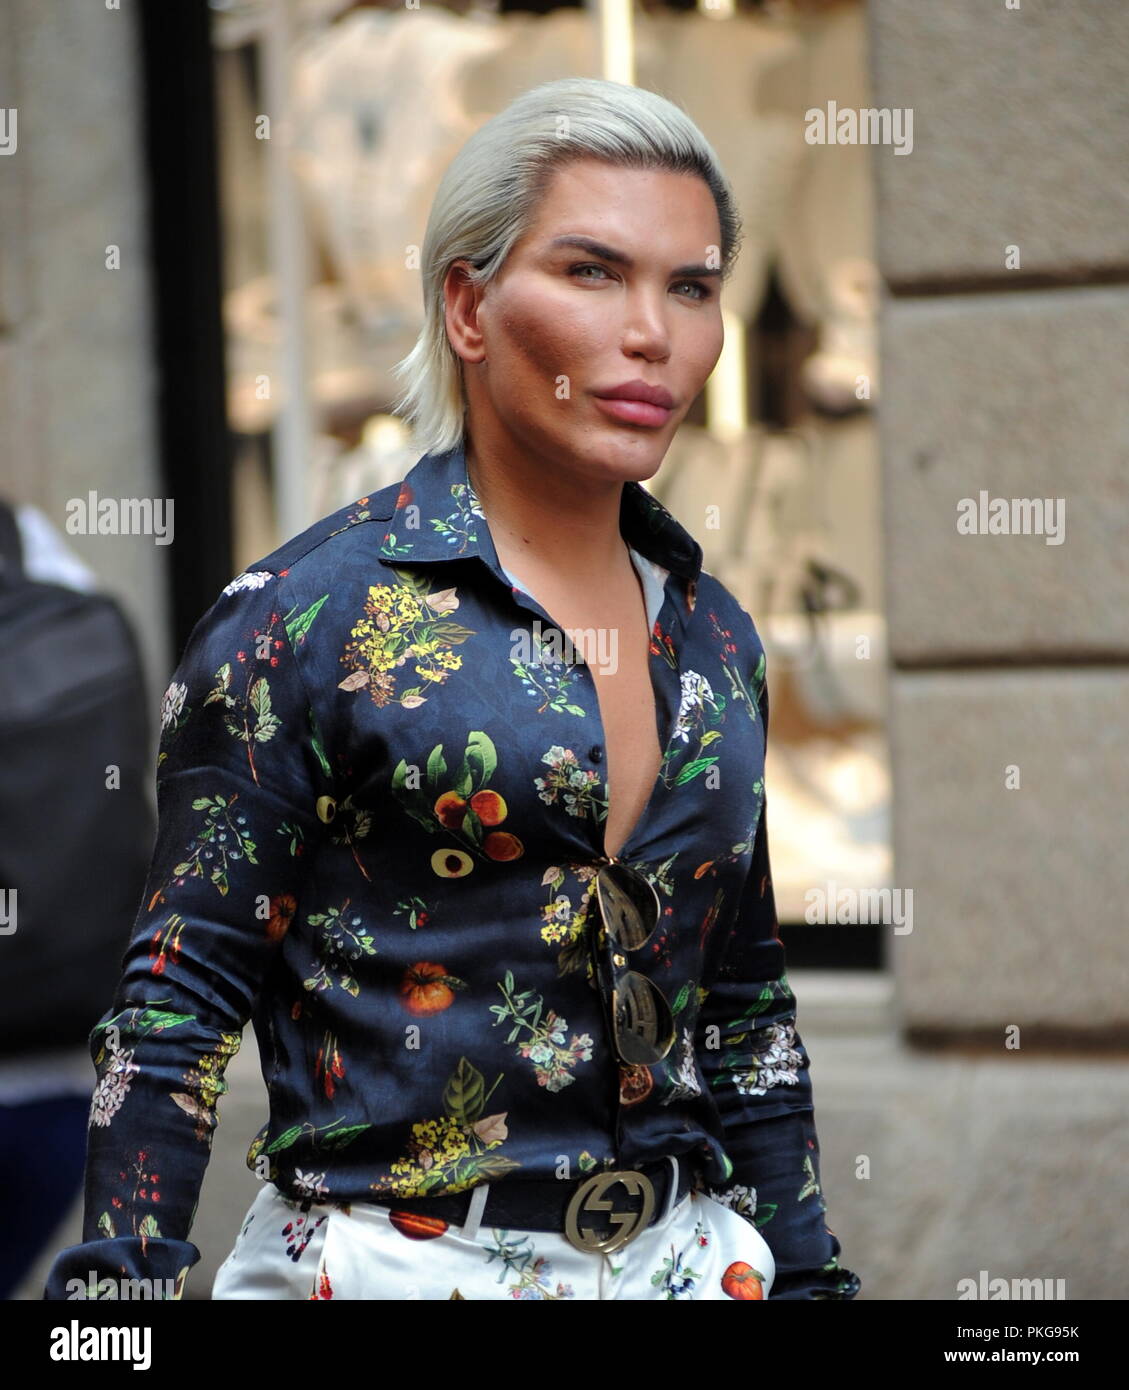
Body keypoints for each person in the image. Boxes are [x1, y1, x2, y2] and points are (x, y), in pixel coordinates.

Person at [43, 76, 860, 1301]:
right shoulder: (302, 616)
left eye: (691, 286)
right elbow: (177, 1005)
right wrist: (115, 1311)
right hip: (388, 1265)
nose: (653, 332)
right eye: (592, 272)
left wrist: (807, 1280)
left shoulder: (716, 638)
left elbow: (743, 1009)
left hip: (692, 1265)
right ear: (469, 307)